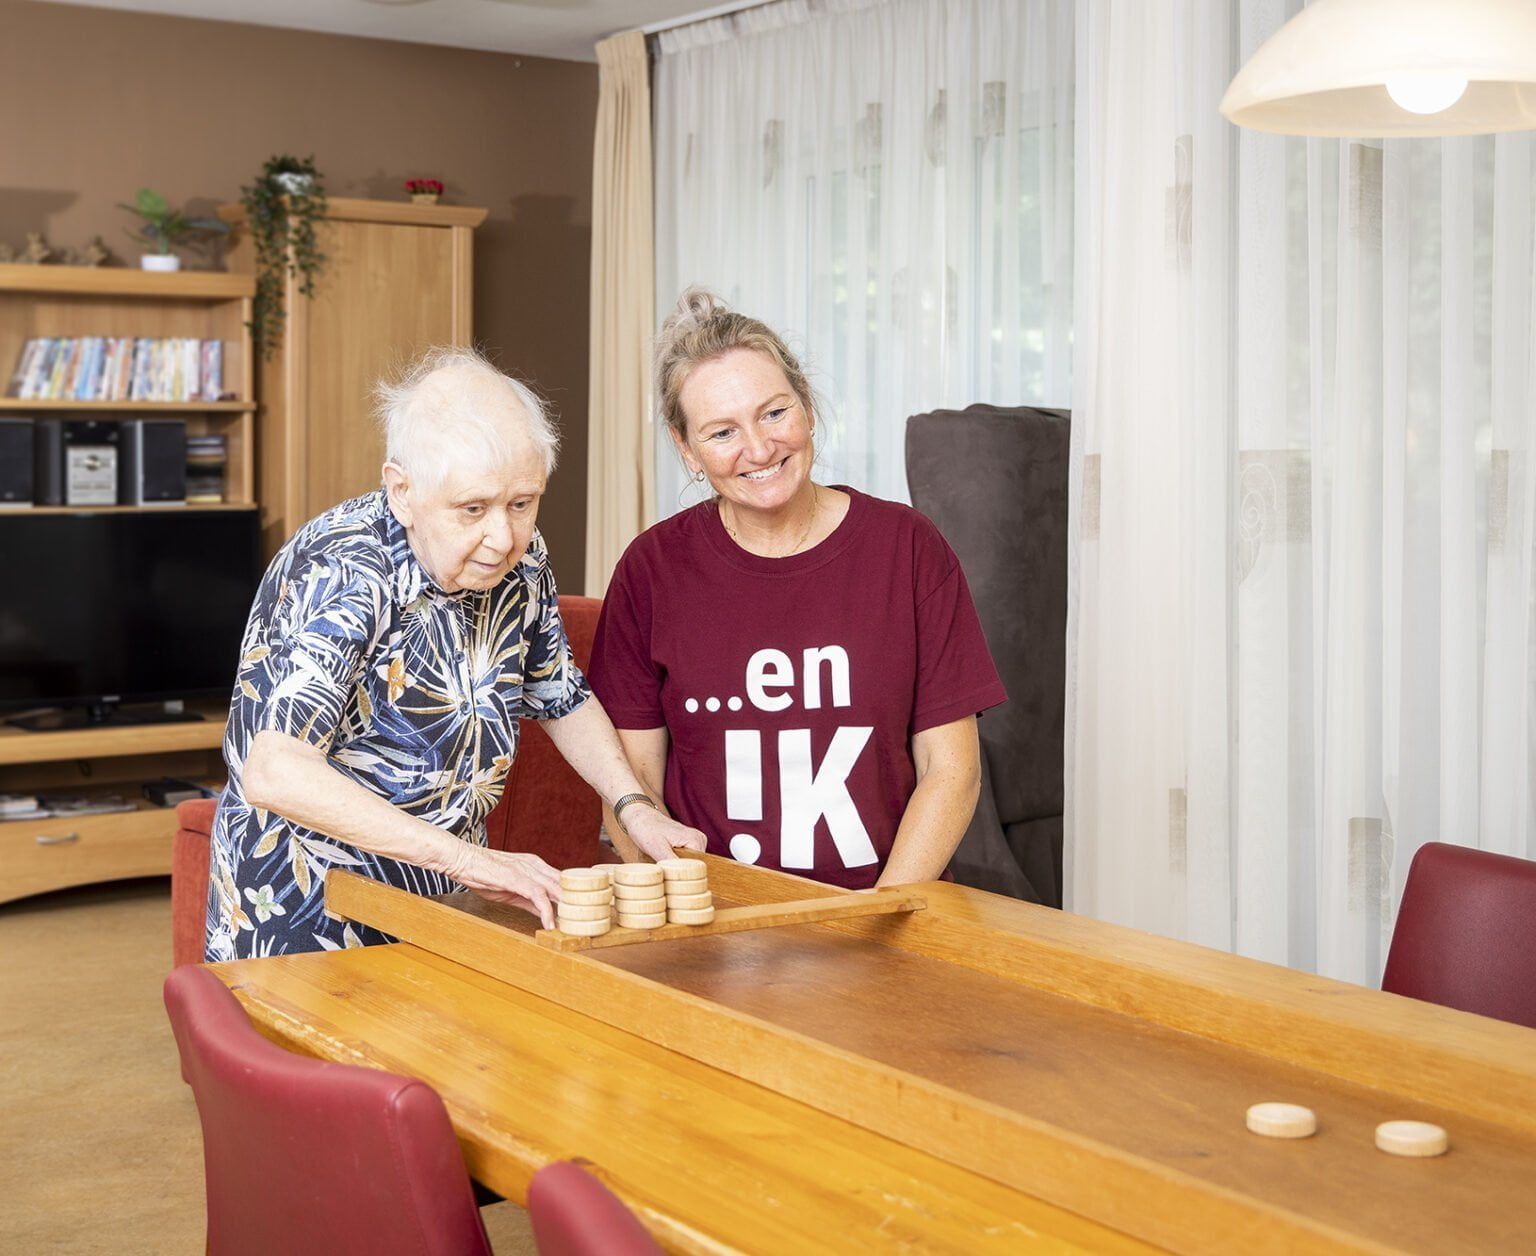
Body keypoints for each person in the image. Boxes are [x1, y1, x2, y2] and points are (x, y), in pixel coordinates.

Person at [205, 347, 705, 960]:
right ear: (402, 491)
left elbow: (560, 695)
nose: (503, 538)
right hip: (304, 904)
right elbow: (275, 770)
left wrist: (634, 807)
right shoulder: (345, 571)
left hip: (442, 890)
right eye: (473, 509)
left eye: (522, 503)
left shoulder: (521, 556)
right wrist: (471, 861)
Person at [588, 290, 1006, 890]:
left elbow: (952, 771)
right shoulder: (650, 570)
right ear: (686, 448)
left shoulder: (908, 548)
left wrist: (877, 919)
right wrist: (697, 915)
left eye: (774, 413)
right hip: (713, 917)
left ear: (806, 404)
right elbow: (631, 790)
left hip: (887, 912)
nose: (759, 449)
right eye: (722, 432)